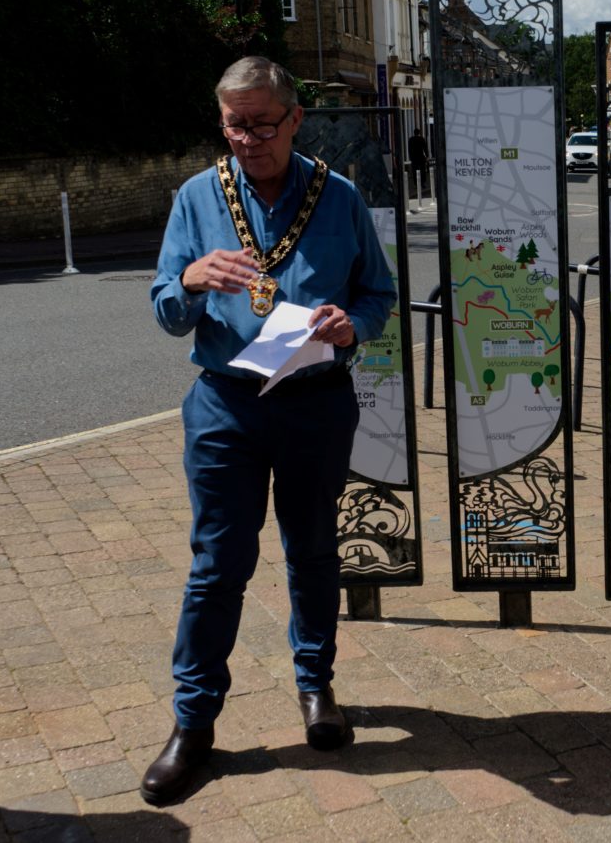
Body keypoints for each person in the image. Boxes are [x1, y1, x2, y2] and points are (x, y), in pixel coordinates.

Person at [144, 56, 396, 806]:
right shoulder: (197, 197)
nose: (246, 138)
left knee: (315, 551)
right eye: (233, 124)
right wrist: (187, 283)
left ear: (294, 119)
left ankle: (315, 686)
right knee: (218, 565)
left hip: (316, 401)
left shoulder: (340, 195)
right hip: (225, 404)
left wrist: (355, 327)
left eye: (260, 123)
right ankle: (194, 725)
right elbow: (163, 307)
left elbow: (377, 294)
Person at [407, 127, 430, 204]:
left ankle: (415, 184)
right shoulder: (421, 139)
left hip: (414, 158)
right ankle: (422, 183)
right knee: (422, 170)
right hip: (420, 157)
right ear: (419, 133)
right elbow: (425, 148)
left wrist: (410, 157)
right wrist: (427, 156)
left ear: (414, 133)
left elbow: (409, 149)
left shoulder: (410, 140)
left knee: (415, 170)